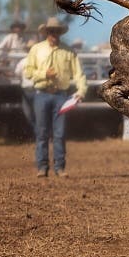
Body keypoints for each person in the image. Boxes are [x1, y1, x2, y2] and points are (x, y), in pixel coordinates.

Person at [24, 17, 87, 177]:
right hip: (42, 94)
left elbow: (79, 74)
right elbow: (28, 72)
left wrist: (81, 91)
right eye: (52, 31)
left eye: (57, 32)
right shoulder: (36, 50)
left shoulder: (69, 51)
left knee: (59, 133)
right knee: (42, 132)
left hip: (61, 96)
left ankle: (59, 167)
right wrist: (44, 73)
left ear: (59, 33)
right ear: (47, 33)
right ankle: (42, 167)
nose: (54, 34)